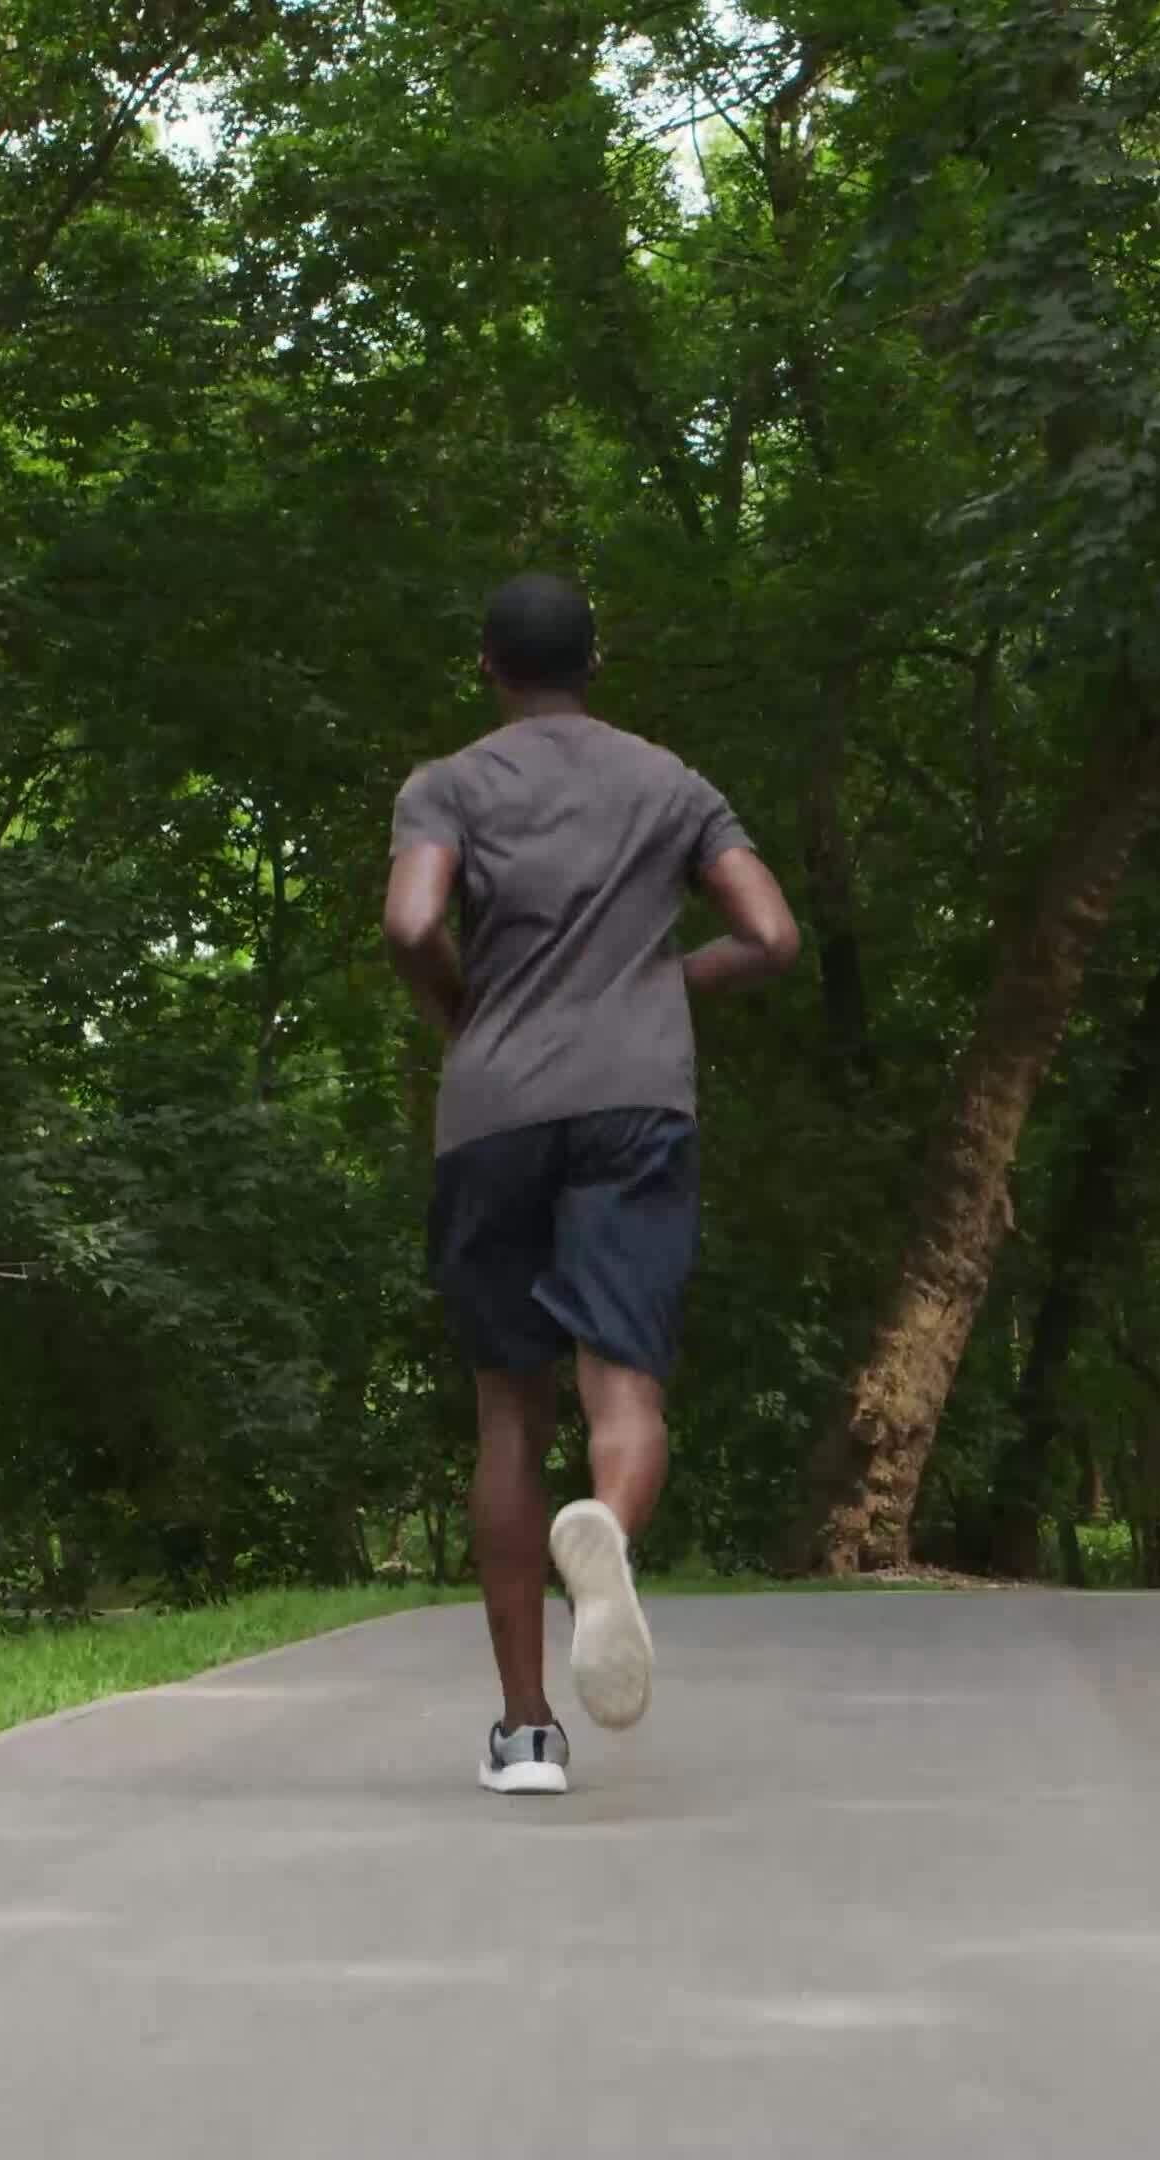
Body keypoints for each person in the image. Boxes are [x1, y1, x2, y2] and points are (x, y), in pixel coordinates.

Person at [382, 573, 798, 1796]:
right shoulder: (672, 785)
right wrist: (662, 986)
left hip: (495, 1112)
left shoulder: (448, 784)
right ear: (595, 662)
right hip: (636, 1108)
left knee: (510, 1413)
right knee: (624, 1392)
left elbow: (410, 923)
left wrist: (467, 1011)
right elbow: (771, 935)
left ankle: (525, 1734)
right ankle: (606, 1525)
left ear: (487, 666)